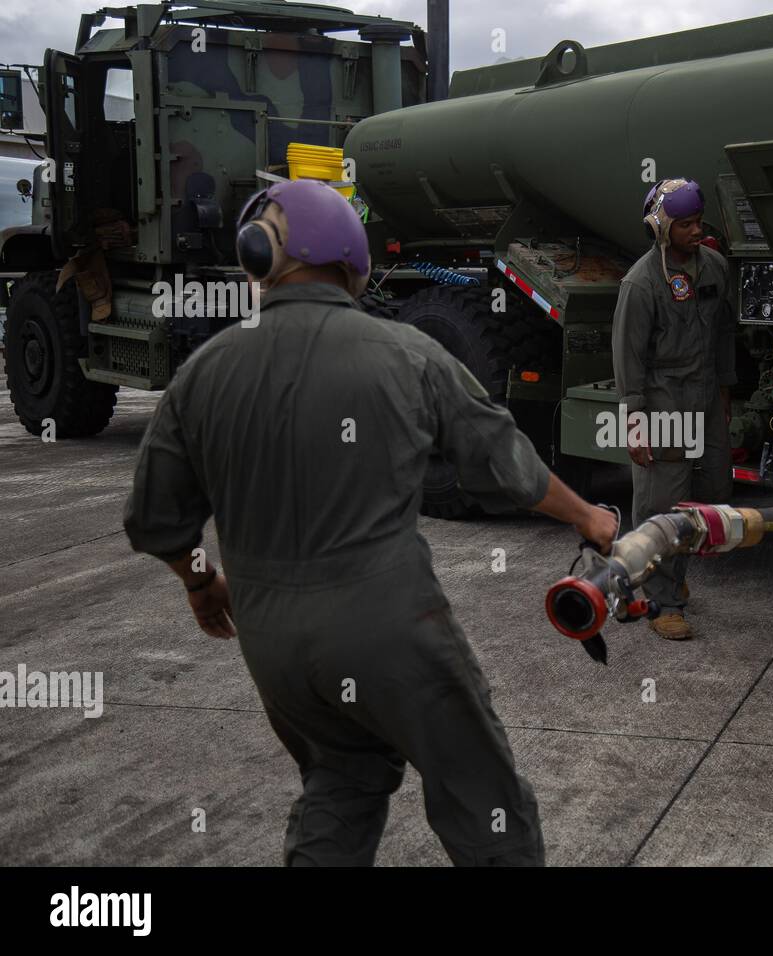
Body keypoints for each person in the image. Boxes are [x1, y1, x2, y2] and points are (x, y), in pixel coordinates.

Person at [123, 179, 617, 866]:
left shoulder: (203, 371)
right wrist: (590, 516)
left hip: (271, 646)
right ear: (348, 256)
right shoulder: (407, 351)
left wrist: (201, 581)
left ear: (260, 258)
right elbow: (507, 468)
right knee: (484, 799)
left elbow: (153, 520)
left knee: (341, 779)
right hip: (389, 629)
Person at [610, 178, 737, 640]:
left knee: (712, 493)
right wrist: (635, 419)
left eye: (698, 221)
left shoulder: (715, 269)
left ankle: (669, 576)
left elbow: (724, 333)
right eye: (684, 224)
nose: (695, 230)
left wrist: (725, 391)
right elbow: (628, 355)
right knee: (662, 505)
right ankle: (661, 601)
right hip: (664, 402)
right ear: (661, 227)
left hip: (704, 399)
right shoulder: (641, 283)